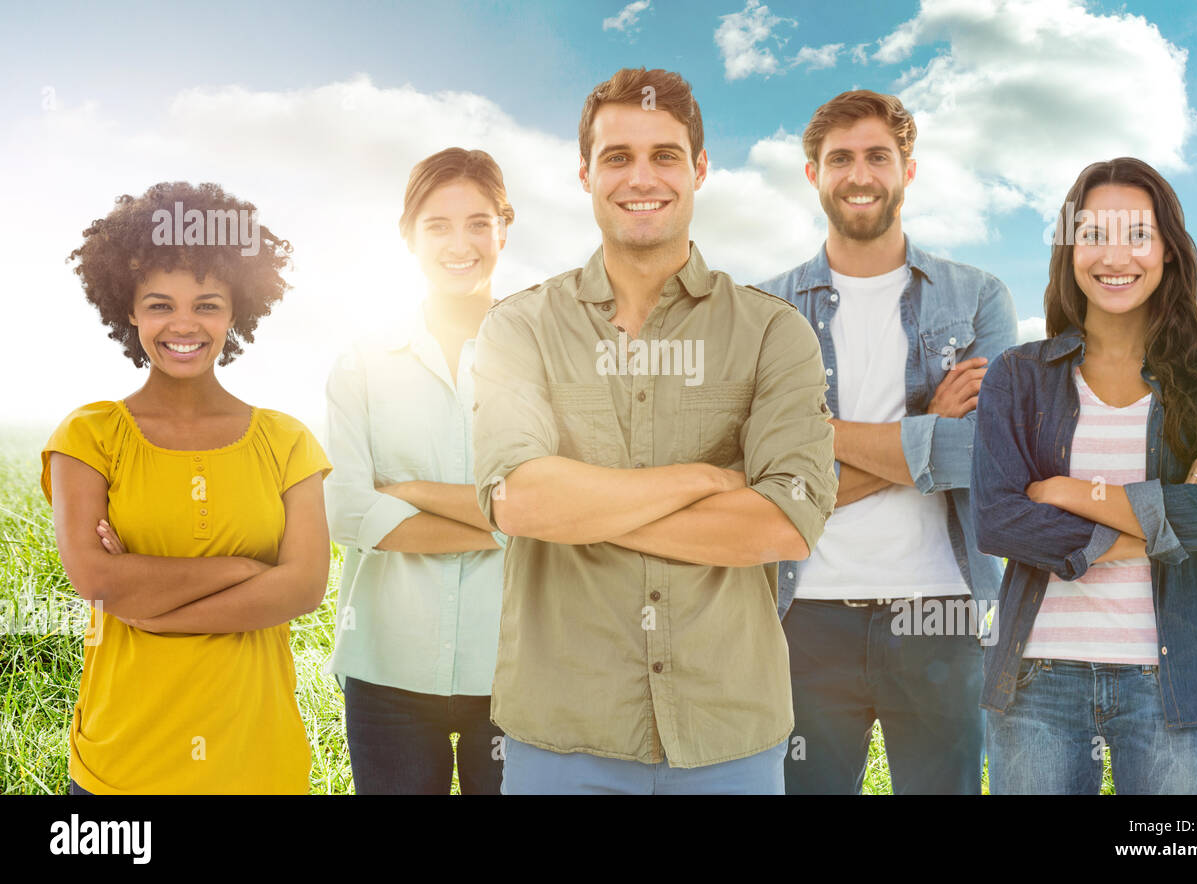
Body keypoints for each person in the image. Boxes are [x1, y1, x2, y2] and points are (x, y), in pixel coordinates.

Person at [470, 67, 838, 794]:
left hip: (728, 740)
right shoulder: (518, 328)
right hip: (561, 739)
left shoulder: (773, 333)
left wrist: (585, 510)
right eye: (617, 157)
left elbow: (785, 524)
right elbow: (521, 502)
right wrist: (704, 481)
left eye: (664, 155)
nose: (642, 177)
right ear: (585, 174)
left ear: (699, 168)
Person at [756, 90, 1018, 794]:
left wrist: (816, 436)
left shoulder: (976, 298)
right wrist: (929, 425)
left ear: (908, 168)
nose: (860, 174)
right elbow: (759, 473)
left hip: (941, 612)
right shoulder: (764, 309)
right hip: (801, 617)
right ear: (813, 174)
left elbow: (988, 459)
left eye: (878, 156)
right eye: (840, 158)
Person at [972, 157, 1197, 794]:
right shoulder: (1019, 377)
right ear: (1069, 247)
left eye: (1137, 233)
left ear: (1168, 249)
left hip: (1174, 684)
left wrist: (1066, 493)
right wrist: (1153, 523)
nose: (1115, 255)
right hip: (1037, 678)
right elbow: (997, 519)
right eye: (1094, 233)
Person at [42, 181, 331, 794]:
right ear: (128, 308)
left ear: (235, 312)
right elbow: (98, 582)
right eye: (158, 304)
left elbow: (304, 587)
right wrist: (245, 569)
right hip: (123, 765)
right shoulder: (89, 436)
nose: (183, 324)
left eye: (206, 304)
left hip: (256, 761)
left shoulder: (286, 441)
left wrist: (154, 612)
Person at [324, 148, 511, 794]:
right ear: (408, 236)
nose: (460, 243)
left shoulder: (544, 358)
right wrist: (507, 525)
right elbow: (347, 509)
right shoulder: (363, 361)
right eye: (437, 224)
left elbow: (567, 508)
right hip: (386, 668)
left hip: (515, 667)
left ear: (504, 229)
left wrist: (407, 496)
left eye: (478, 222)